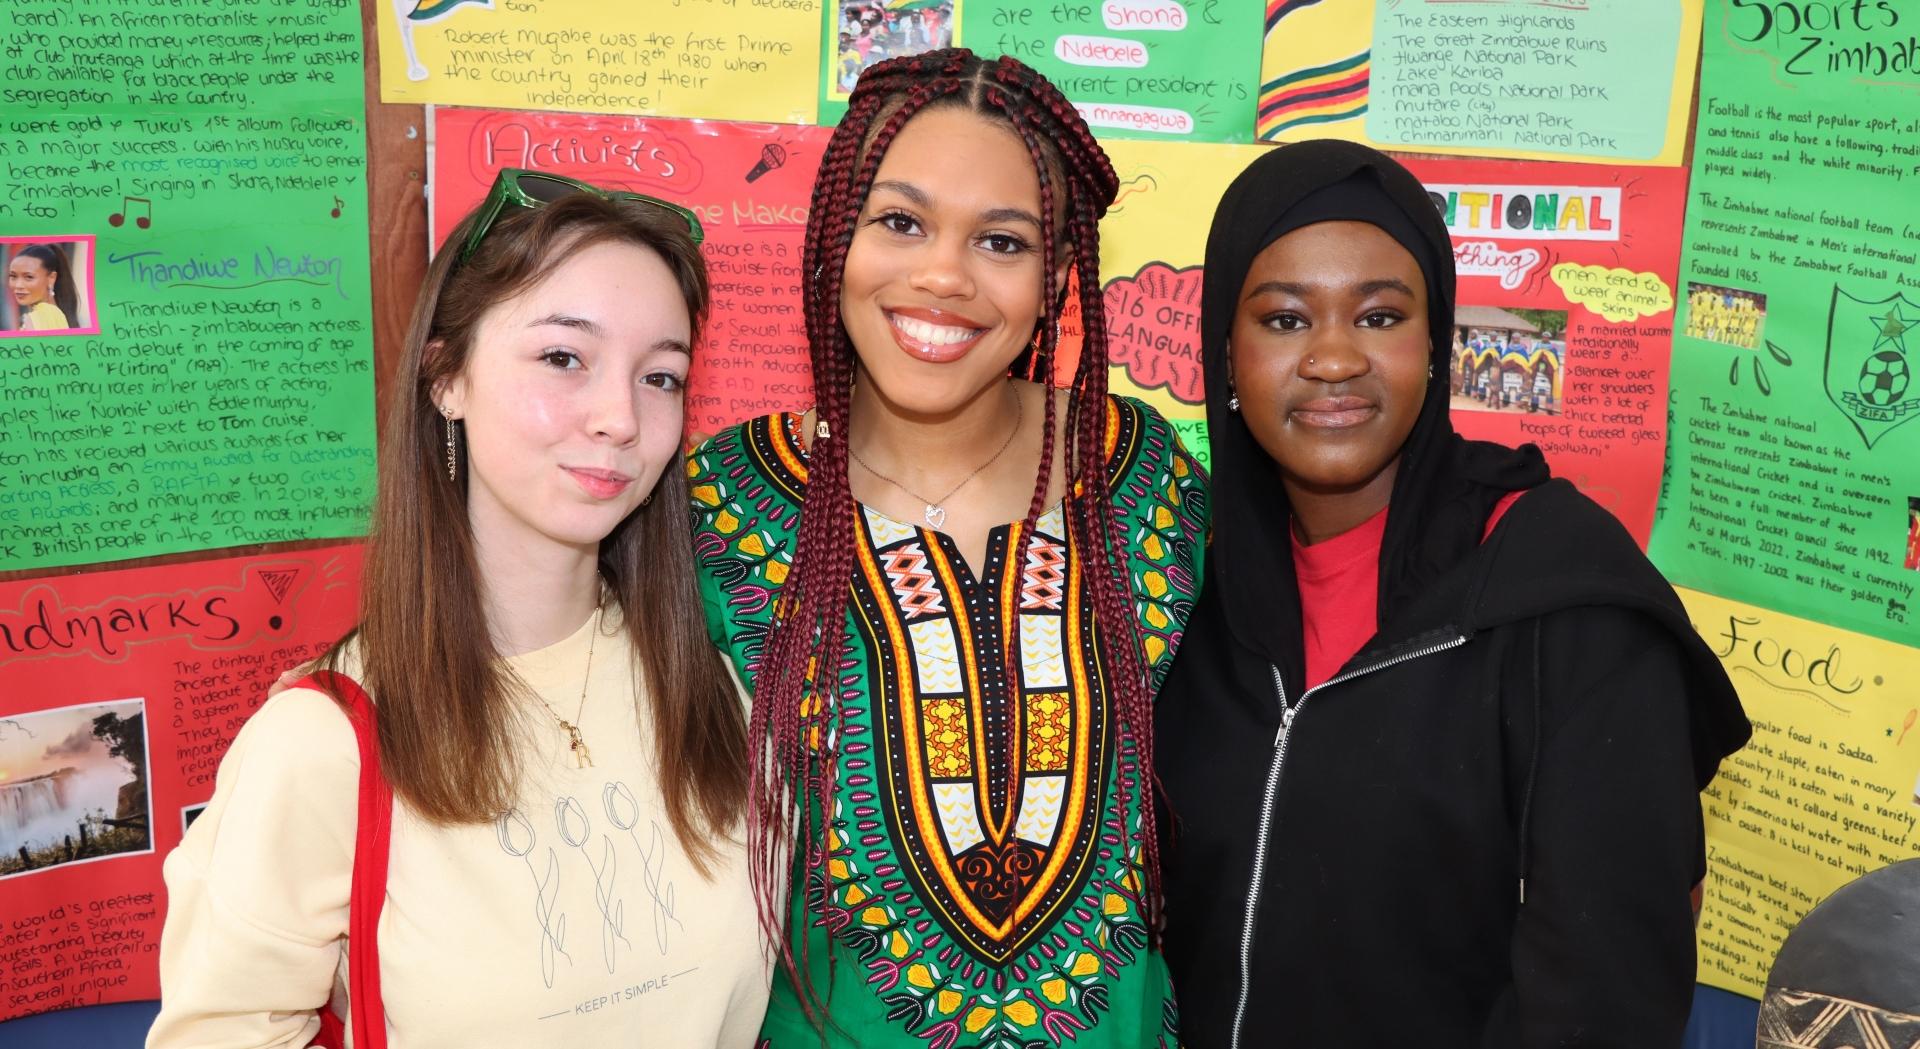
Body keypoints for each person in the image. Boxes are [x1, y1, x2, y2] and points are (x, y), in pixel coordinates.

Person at [1153, 140, 1751, 1048]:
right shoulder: (1175, 587)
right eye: (1284, 319)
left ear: (1435, 342)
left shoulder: (1560, 590)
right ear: (1225, 354)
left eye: (1380, 316)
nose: (1333, 358)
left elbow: (1607, 997)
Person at [149, 173, 768, 1047]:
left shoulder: (721, 674)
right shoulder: (324, 741)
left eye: (660, 376)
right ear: (446, 377)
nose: (620, 418)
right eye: (564, 358)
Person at [687, 49, 1208, 1049]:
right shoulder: (720, 505)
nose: (943, 275)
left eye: (1002, 241)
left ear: (1058, 275)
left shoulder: (1144, 479)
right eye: (901, 221)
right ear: (835, 234)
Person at [8, 243, 79, 330]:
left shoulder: (36, 318)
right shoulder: (57, 314)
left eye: (29, 277)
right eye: (13, 276)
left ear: (51, 278)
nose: (18, 285)